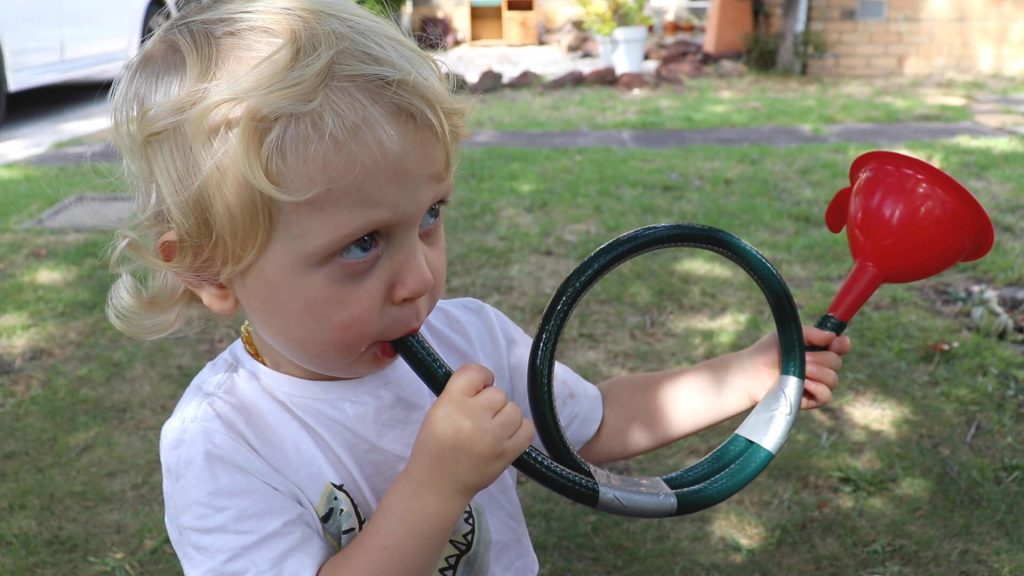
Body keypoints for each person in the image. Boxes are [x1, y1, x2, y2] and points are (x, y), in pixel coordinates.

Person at [106, 1, 852, 574]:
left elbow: (596, 424)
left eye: (429, 217)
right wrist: (435, 487)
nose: (420, 277)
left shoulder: (469, 339)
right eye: (361, 244)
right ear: (208, 267)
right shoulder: (222, 442)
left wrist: (747, 373)